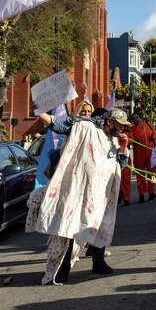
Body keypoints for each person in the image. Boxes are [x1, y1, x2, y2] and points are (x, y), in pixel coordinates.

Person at [28, 108, 120, 283]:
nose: (121, 130)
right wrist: (43, 115)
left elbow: (116, 163)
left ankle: (99, 262)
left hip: (100, 192)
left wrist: (121, 151)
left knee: (99, 224)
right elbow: (61, 127)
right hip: (77, 189)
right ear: (109, 121)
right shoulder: (85, 126)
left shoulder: (113, 137)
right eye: (119, 125)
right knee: (70, 226)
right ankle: (64, 268)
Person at [129, 113, 156, 204]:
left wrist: (154, 136)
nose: (135, 119)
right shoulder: (132, 129)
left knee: (152, 174)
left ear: (141, 118)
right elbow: (131, 140)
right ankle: (141, 194)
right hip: (139, 155)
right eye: (133, 118)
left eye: (137, 117)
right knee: (140, 175)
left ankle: (151, 192)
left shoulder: (149, 125)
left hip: (150, 154)